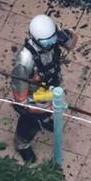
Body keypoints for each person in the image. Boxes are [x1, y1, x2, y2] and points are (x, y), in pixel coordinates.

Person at [10, 14, 73, 162]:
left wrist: (66, 36)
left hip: (52, 85)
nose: (52, 42)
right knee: (29, 125)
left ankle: (44, 120)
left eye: (53, 37)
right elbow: (20, 99)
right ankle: (22, 145)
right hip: (35, 97)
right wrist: (39, 108)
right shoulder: (24, 62)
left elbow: (72, 43)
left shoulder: (54, 36)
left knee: (46, 114)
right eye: (48, 40)